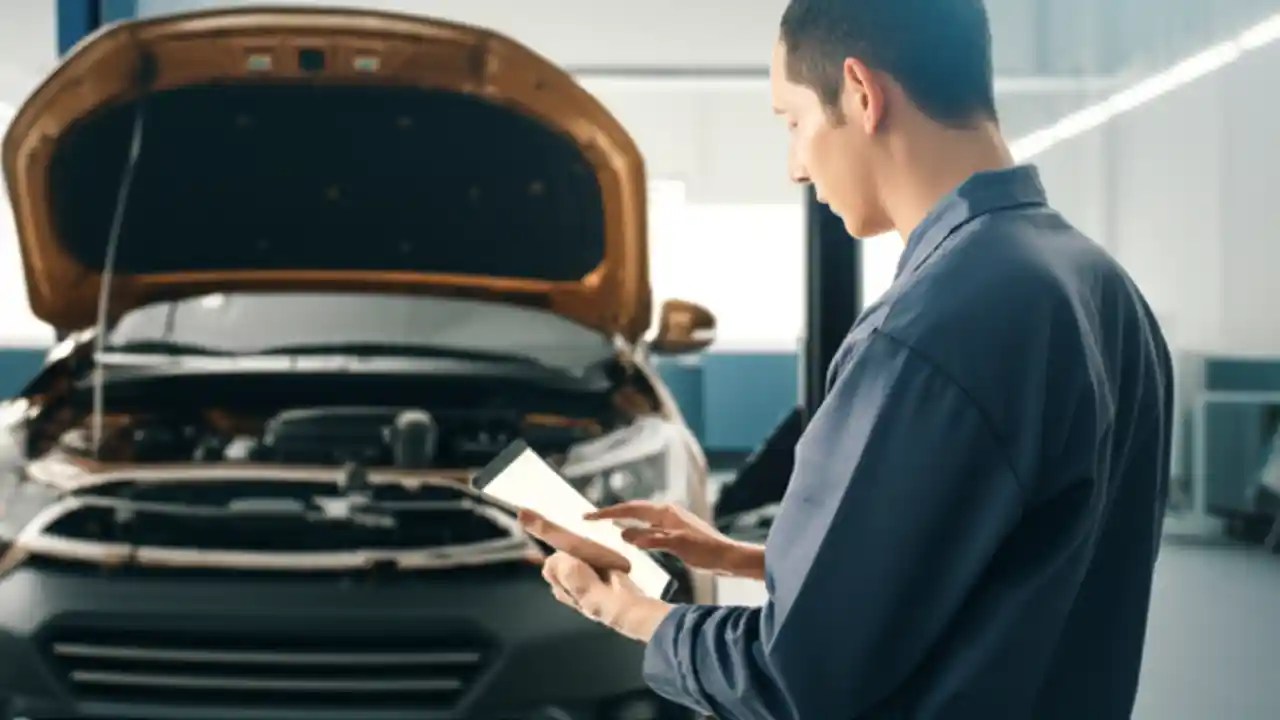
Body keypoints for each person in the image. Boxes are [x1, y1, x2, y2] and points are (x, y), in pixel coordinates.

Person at [518, 0, 1174, 718]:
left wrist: (634, 615)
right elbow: (999, 565)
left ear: (862, 94)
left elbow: (797, 680)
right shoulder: (1095, 285)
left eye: (792, 121)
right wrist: (743, 556)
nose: (796, 166)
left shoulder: (931, 327)